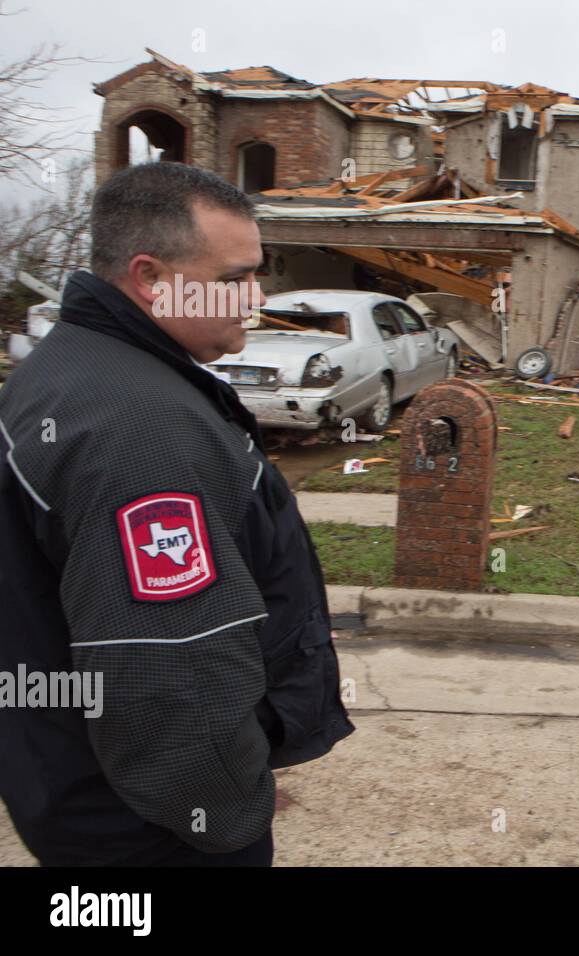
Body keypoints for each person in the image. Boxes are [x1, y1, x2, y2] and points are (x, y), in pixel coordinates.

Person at [0, 162, 354, 866]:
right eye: (234, 279)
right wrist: (224, 807)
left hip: (76, 786)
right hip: (150, 831)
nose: (255, 299)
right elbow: (170, 670)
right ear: (151, 277)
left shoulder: (71, 366)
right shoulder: (141, 432)